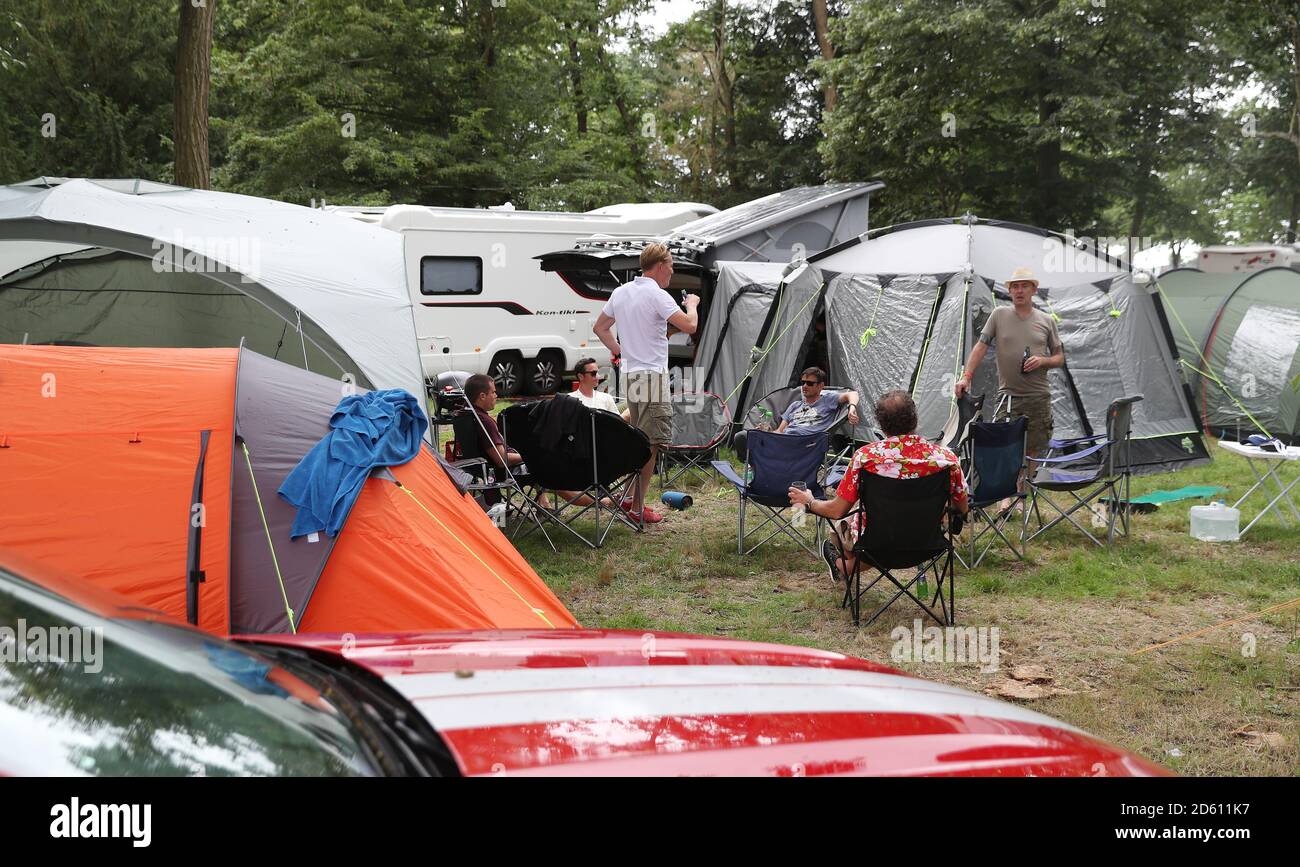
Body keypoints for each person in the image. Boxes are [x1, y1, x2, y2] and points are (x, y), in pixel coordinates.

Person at [788, 390, 969, 585]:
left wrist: (809, 501)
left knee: (847, 522)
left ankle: (844, 567)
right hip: (927, 544)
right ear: (915, 420)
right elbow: (962, 508)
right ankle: (847, 567)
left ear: (881, 425)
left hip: (875, 544)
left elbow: (836, 510)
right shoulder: (946, 459)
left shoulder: (865, 458)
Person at [593, 242, 700, 524]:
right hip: (652, 376)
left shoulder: (622, 292)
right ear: (661, 265)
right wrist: (692, 305)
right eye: (672, 266)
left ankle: (629, 497)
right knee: (651, 443)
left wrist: (621, 351)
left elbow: (600, 328)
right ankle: (637, 508)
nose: (672, 272)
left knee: (639, 438)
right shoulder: (658, 295)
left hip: (630, 376)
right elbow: (690, 326)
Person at [954, 266, 1064, 474]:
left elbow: (1059, 358)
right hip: (1008, 396)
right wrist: (966, 377)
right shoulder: (999, 315)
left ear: (1033, 290)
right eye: (1015, 287)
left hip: (1038, 396)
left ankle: (1023, 491)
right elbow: (980, 347)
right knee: (1005, 444)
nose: (1020, 291)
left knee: (1033, 447)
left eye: (1024, 286)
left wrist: (1042, 361)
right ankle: (1008, 493)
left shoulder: (1046, 320)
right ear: (1010, 291)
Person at [774, 367, 859, 433]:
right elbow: (780, 431)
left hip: (810, 444)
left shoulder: (827, 400)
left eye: (810, 383)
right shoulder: (795, 405)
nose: (805, 386)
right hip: (785, 440)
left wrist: (852, 408)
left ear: (821, 386)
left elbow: (853, 394)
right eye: (803, 382)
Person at [568, 356, 629, 420]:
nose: (598, 376)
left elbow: (617, 423)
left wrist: (627, 414)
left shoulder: (606, 398)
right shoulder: (569, 399)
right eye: (593, 373)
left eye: (598, 372)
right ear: (580, 376)